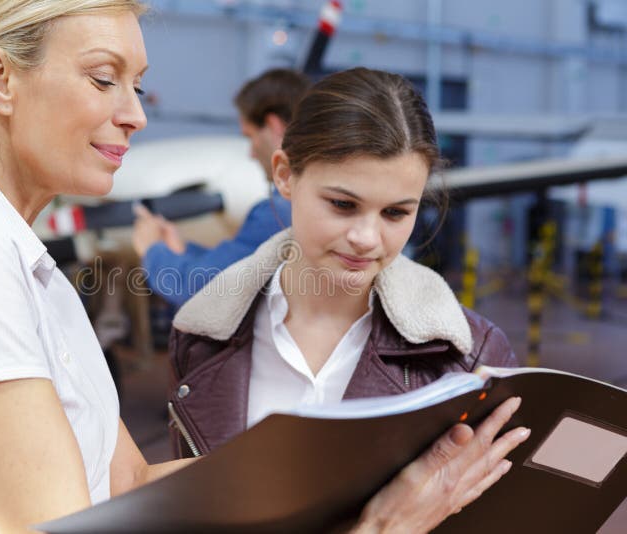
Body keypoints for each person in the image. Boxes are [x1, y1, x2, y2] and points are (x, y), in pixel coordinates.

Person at [0, 2, 528, 532]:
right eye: (104, 79)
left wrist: (357, 466)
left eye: (136, 85)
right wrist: (376, 523)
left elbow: (129, 481)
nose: (134, 114)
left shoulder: (15, 261)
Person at [168, 67, 520, 458]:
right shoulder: (200, 339)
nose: (367, 239)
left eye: (395, 213)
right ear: (284, 175)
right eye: (342, 205)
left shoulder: (472, 360)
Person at [131, 69, 310, 308]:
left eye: (250, 136)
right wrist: (183, 250)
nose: (251, 152)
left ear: (274, 126)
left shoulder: (279, 212)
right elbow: (239, 264)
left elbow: (203, 290)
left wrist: (153, 250)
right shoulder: (312, 202)